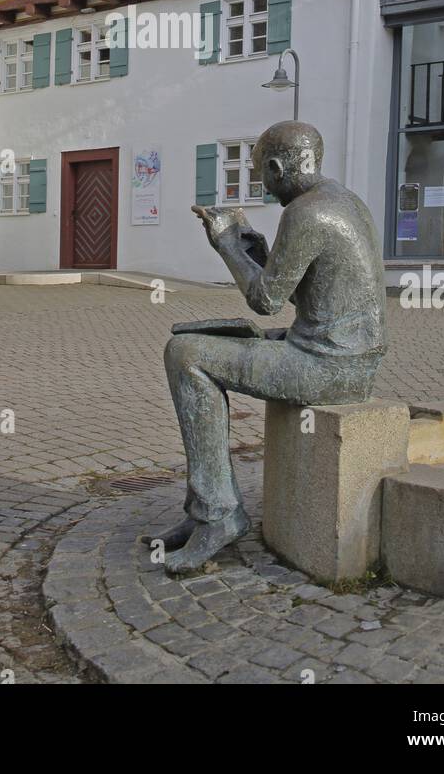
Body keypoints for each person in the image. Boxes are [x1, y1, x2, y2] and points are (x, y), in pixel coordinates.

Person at [154, 120, 386, 576]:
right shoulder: (341, 200)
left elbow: (266, 300)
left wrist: (226, 246)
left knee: (184, 355)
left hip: (328, 367)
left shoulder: (305, 213)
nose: (262, 183)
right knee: (211, 339)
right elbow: (308, 291)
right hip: (348, 356)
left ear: (277, 168)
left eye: (262, 173)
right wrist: (258, 249)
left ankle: (220, 515)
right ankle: (202, 508)